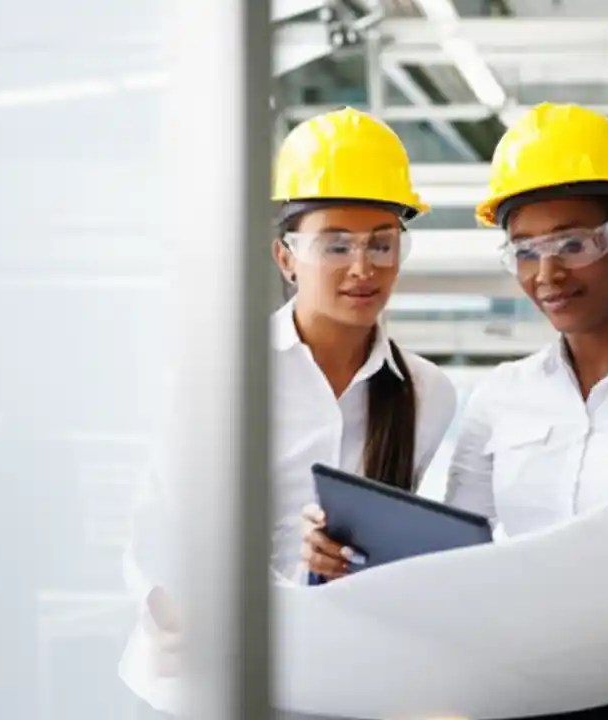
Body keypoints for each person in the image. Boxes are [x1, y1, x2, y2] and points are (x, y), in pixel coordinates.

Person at [312, 102, 608, 719]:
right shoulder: (500, 394)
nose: (547, 273)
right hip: (519, 695)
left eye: (573, 243)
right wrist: (350, 554)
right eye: (524, 250)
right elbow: (452, 564)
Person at [119, 107, 458, 714]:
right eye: (337, 245)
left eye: (383, 243)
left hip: (335, 684)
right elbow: (157, 521)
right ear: (285, 258)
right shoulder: (219, 375)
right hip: (207, 681)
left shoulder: (425, 393)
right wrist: (172, 608)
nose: (364, 267)